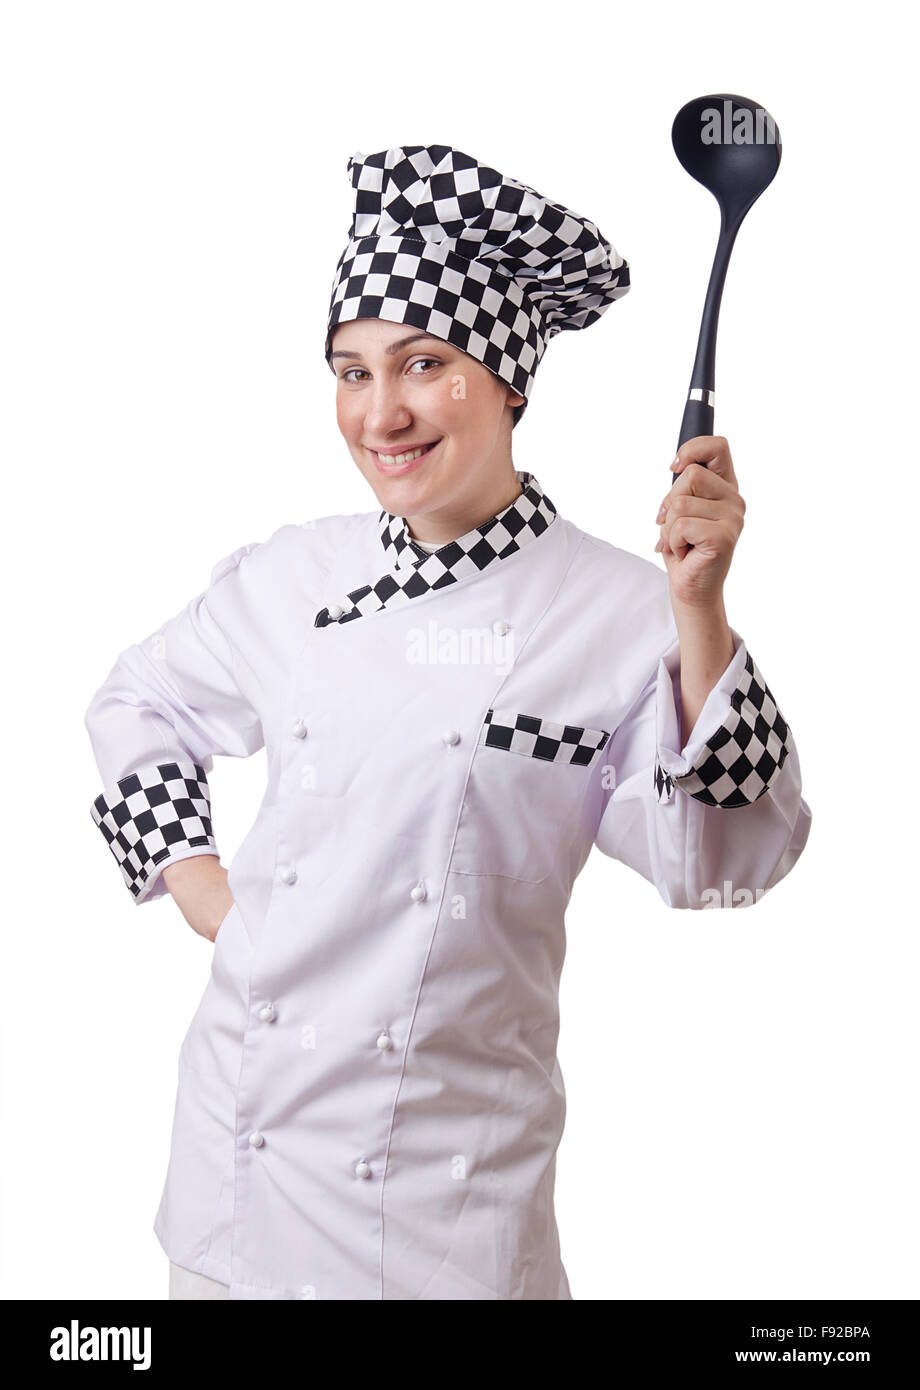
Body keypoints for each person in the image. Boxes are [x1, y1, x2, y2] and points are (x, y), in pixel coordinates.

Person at [84, 144, 812, 1301]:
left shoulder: (620, 613)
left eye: (422, 364)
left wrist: (700, 610)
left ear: (506, 380)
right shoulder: (291, 575)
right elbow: (137, 700)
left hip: (440, 1230)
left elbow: (720, 862)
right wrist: (199, 885)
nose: (380, 413)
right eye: (350, 369)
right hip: (228, 1198)